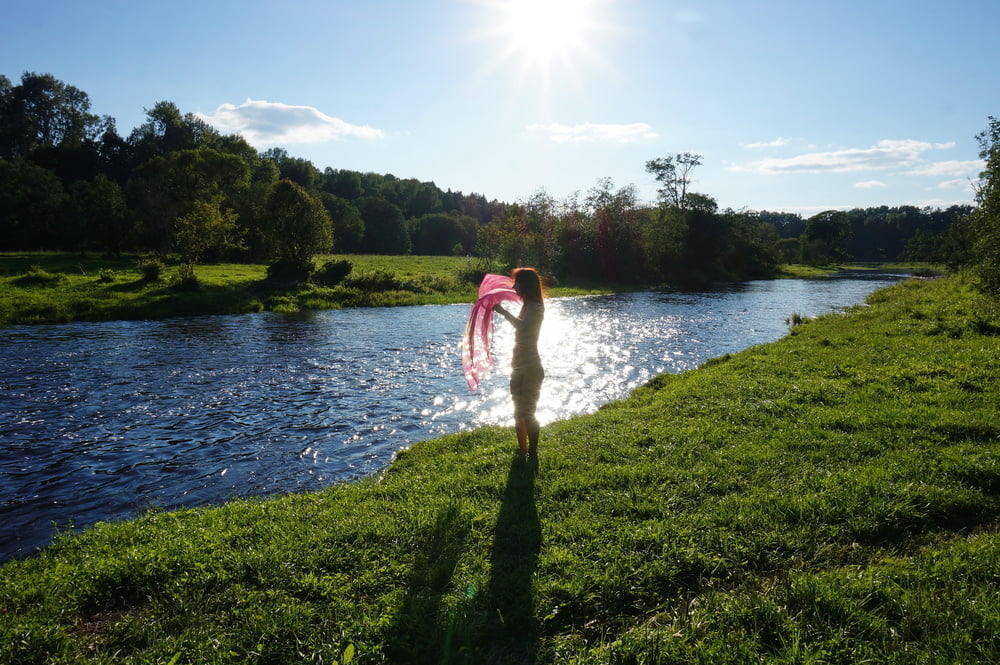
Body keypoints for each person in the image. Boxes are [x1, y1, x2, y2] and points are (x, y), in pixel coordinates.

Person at [492, 268, 545, 456]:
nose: (514, 286)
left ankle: (532, 453)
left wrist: (503, 312)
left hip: (531, 368)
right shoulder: (526, 306)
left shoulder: (537, 307)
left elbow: (523, 327)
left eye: (517, 283)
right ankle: (522, 452)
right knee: (518, 412)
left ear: (526, 285)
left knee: (527, 413)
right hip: (517, 366)